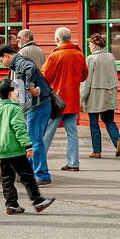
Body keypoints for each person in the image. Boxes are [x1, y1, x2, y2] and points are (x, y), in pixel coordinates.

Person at [0, 79, 55, 215]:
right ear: (11, 93)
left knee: (7, 179)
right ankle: (37, 201)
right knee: (27, 176)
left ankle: (11, 204)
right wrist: (28, 146)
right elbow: (19, 129)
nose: (17, 92)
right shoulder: (14, 109)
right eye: (16, 89)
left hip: (2, 151)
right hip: (16, 150)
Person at [0, 44, 55, 185]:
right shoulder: (18, 63)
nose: (3, 64)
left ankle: (41, 174)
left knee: (35, 141)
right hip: (36, 105)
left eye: (1, 60)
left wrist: (30, 87)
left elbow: (31, 69)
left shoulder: (20, 62)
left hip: (37, 105)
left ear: (6, 55)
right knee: (33, 139)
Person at [41, 26, 88, 172]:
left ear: (57, 39)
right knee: (72, 133)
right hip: (72, 99)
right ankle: (73, 162)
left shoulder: (55, 55)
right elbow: (84, 75)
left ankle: (39, 162)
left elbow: (44, 76)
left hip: (57, 100)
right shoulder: (79, 54)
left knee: (48, 132)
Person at [82, 33, 120, 158]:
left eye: (90, 43)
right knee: (109, 120)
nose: (89, 46)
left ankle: (97, 151)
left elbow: (87, 81)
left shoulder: (91, 59)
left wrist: (82, 97)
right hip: (109, 92)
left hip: (95, 94)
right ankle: (118, 140)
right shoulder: (110, 57)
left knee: (94, 123)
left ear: (95, 45)